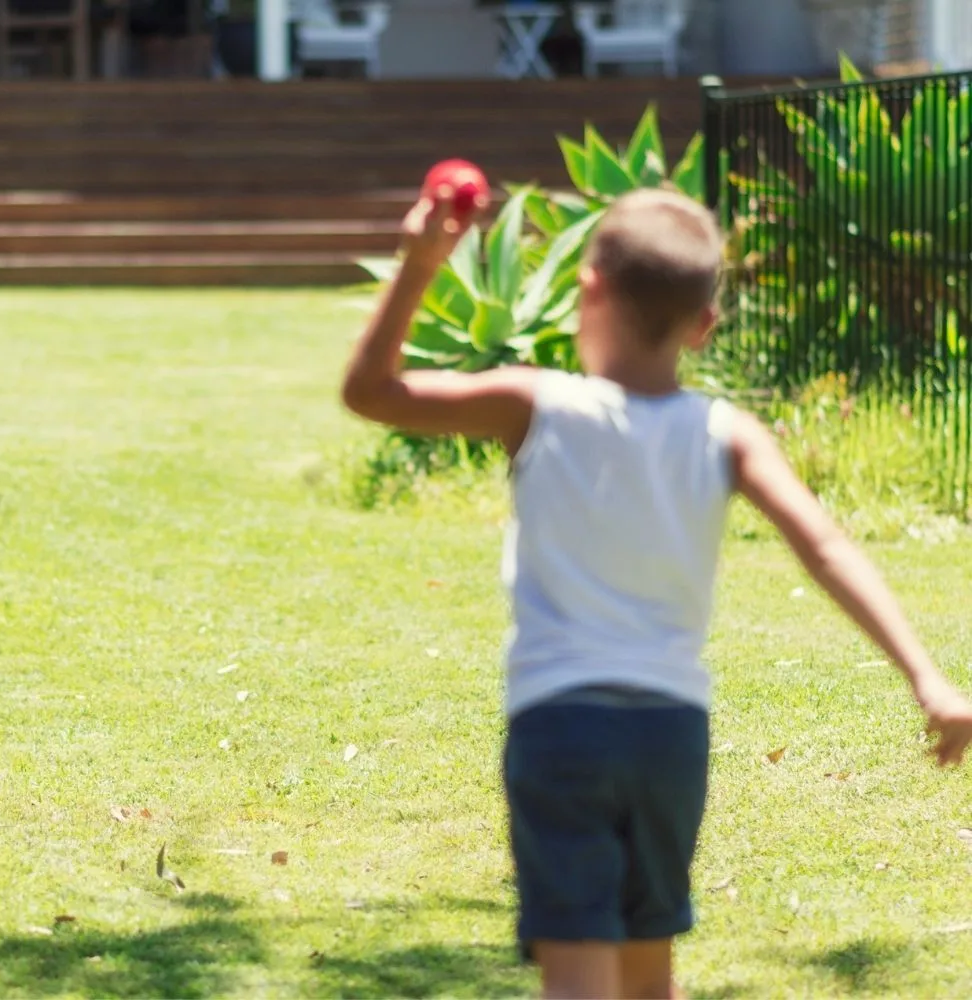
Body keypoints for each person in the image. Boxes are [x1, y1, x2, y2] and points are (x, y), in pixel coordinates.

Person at [339, 184, 972, 999]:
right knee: (647, 978)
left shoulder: (535, 404)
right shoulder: (726, 433)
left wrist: (422, 262)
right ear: (705, 323)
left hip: (562, 724)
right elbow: (824, 547)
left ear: (588, 288)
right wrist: (928, 677)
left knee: (577, 979)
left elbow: (371, 392)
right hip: (671, 737)